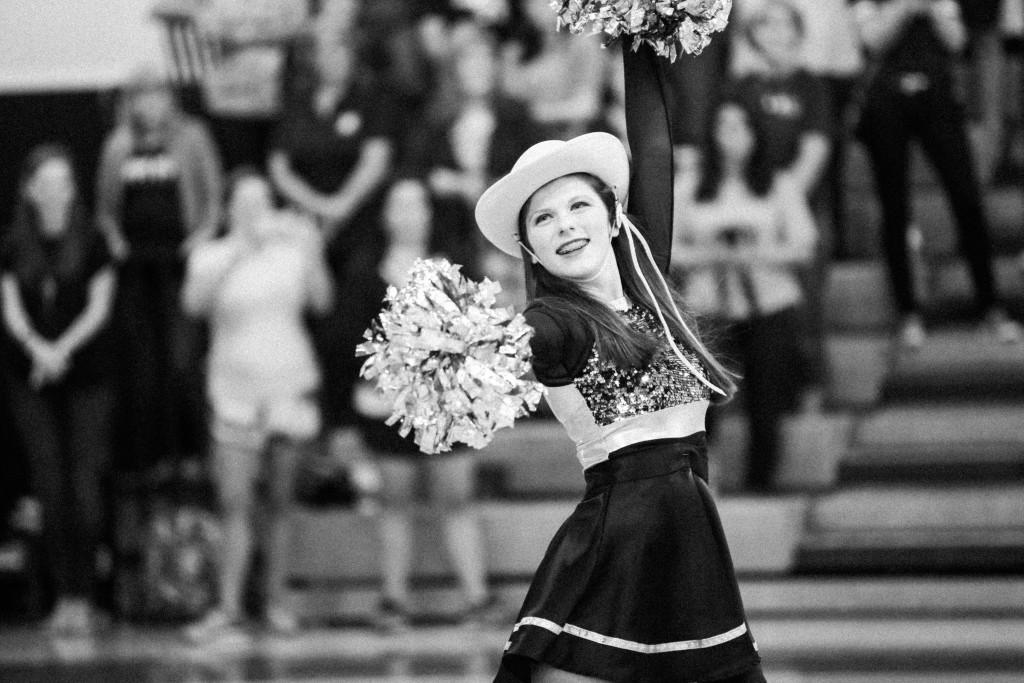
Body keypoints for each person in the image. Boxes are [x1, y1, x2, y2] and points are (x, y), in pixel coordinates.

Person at [474, 40, 766, 683]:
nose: (565, 225)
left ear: (612, 216)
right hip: (616, 550)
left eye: (579, 205)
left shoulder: (651, 289)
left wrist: (638, 33)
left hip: (693, 543)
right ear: (533, 250)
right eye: (543, 219)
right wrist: (464, 356)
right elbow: (515, 351)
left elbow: (654, 150)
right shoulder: (552, 322)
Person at [180, 169, 333, 638]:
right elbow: (193, 305)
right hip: (233, 391)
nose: (253, 210)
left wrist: (312, 250)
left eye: (261, 201)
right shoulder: (210, 252)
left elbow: (321, 303)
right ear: (229, 207)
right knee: (234, 500)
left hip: (289, 385)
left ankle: (276, 601)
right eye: (243, 202)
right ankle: (228, 606)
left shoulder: (291, 253)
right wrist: (238, 252)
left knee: (282, 502)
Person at [340, 177, 493, 631]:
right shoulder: (364, 273)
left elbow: (474, 338)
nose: (409, 213)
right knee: (394, 502)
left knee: (458, 499)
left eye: (417, 204)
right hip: (386, 407)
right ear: (385, 216)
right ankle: (393, 600)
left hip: (447, 405)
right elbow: (351, 345)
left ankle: (477, 599)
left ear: (429, 213)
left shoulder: (453, 269)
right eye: (399, 205)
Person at [851, 0, 1023, 348]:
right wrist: (904, 6)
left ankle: (990, 306)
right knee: (895, 208)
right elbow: (872, 39)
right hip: (886, 101)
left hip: (937, 95)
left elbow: (957, 41)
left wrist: (929, 10)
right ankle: (908, 314)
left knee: (967, 198)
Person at [1, 144, 118, 635]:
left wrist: (61, 349)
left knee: (84, 482)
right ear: (30, 189)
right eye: (47, 182)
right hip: (30, 375)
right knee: (49, 484)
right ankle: (60, 596)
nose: (58, 191)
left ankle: (88, 597)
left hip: (86, 373)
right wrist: (36, 348)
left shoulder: (93, 240)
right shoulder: (13, 243)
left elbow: (99, 306)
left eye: (65, 181)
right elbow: (8, 305)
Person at [674, 97, 818, 493]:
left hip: (769, 300)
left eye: (742, 126)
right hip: (710, 305)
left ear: (757, 133)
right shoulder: (692, 184)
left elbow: (804, 244)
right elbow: (667, 250)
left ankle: (762, 483)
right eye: (724, 125)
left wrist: (755, 252)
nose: (732, 136)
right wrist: (714, 253)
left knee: (766, 403)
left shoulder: (777, 182)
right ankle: (701, 488)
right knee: (703, 406)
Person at [95, 65, 224, 472]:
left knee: (184, 361)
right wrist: (116, 241)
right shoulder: (118, 144)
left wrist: (201, 237)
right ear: (131, 103)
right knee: (142, 365)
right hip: (136, 271)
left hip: (182, 266)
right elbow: (105, 209)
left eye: (158, 94)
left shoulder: (193, 136)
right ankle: (149, 458)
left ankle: (193, 452)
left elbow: (214, 197)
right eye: (142, 96)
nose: (151, 103)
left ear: (171, 99)